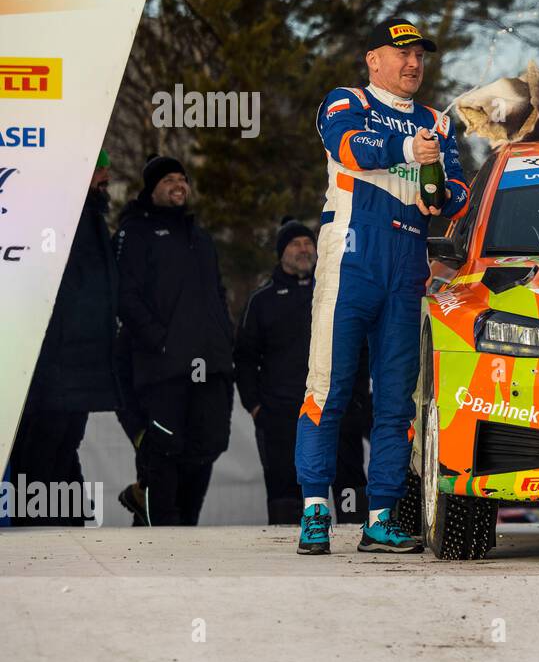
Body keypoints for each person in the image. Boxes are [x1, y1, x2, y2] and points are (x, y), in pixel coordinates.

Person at [295, 16, 469, 555]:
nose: (413, 64)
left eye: (420, 56)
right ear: (374, 60)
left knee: (397, 401)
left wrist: (441, 193)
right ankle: (315, 511)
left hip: (407, 265)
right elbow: (350, 148)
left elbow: (459, 189)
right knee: (329, 388)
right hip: (351, 258)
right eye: (402, 55)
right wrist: (407, 154)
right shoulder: (346, 100)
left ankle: (380, 518)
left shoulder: (438, 122)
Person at [113, 154, 234, 526]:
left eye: (182, 179)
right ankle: (155, 539)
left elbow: (216, 291)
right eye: (168, 180)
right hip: (163, 370)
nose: (178, 185)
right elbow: (124, 295)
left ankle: (185, 538)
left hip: (209, 369)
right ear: (151, 189)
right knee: (163, 455)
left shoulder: (199, 235)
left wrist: (224, 341)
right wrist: (159, 341)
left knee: (205, 450)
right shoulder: (134, 231)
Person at [8, 151, 120, 526]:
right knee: (42, 444)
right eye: (98, 168)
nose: (105, 175)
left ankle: (66, 524)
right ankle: (40, 527)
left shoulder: (90, 215)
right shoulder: (60, 217)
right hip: (55, 362)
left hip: (80, 359)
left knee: (63, 442)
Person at [235, 218, 368, 525]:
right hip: (282, 415)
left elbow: (361, 350)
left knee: (348, 477)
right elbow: (243, 358)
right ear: (281, 252)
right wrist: (255, 406)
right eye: (295, 244)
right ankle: (289, 540)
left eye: (308, 243)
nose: (303, 249)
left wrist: (358, 400)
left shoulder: (337, 292)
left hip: (338, 409)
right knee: (285, 483)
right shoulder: (261, 300)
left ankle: (356, 535)